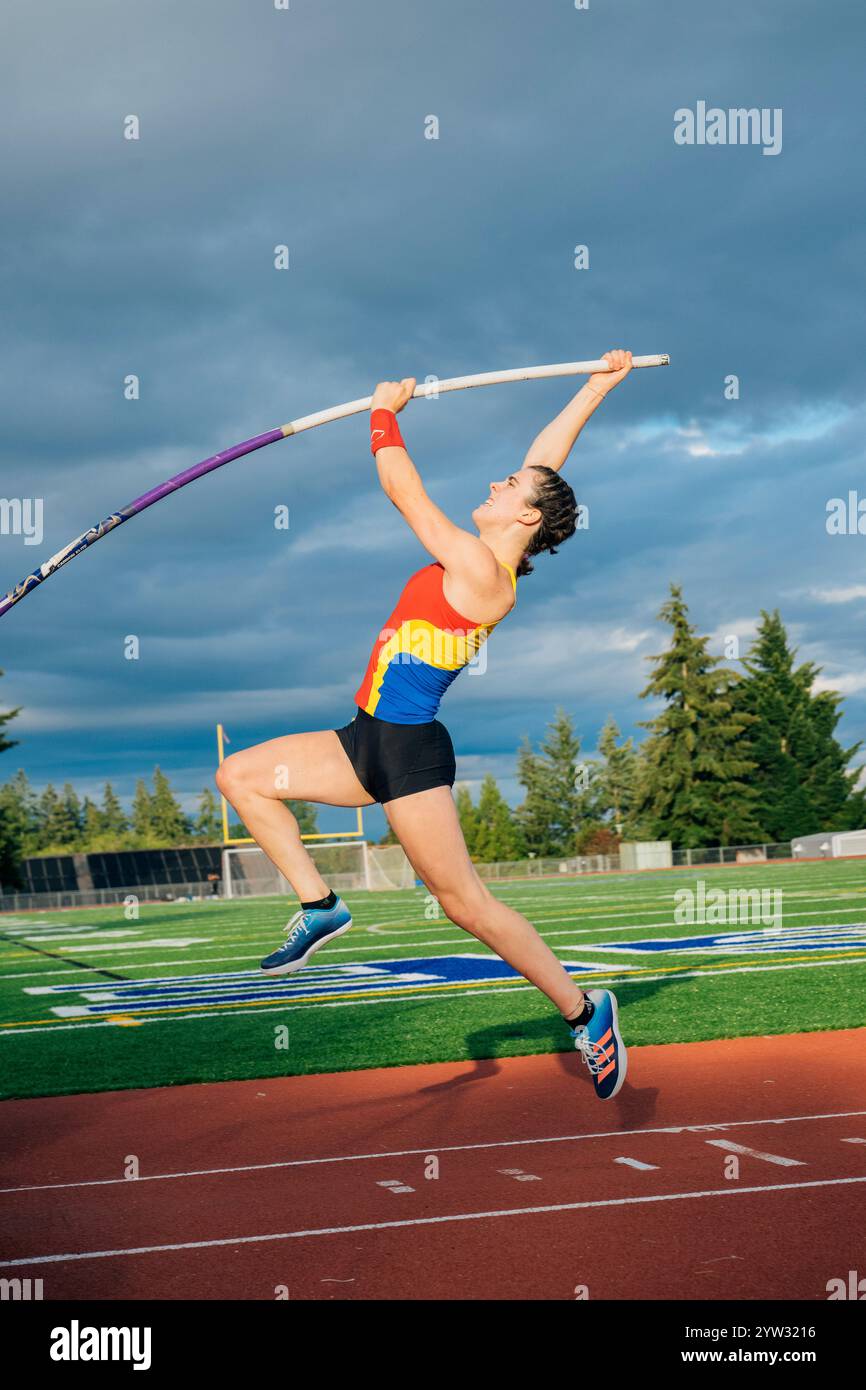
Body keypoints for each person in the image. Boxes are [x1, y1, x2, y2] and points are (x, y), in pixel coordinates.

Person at [215, 349, 635, 1099]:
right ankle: (319, 906)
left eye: (507, 487)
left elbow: (404, 493)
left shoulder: (482, 573)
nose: (495, 483)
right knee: (240, 776)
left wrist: (383, 414)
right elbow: (546, 459)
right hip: (360, 740)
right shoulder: (497, 541)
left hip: (408, 754)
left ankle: (582, 1011)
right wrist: (597, 386)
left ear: (526, 518)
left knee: (463, 904)